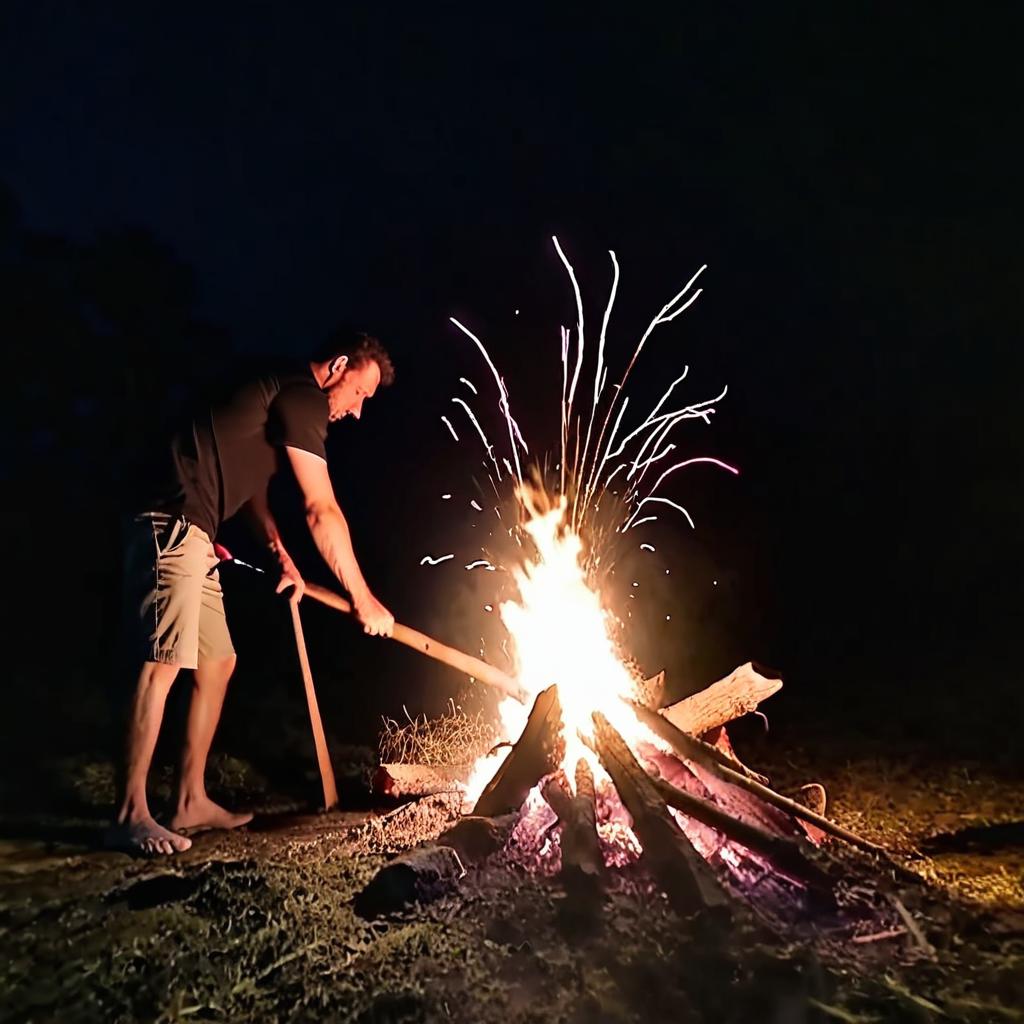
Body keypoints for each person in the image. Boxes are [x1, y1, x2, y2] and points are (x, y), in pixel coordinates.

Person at [108, 330, 396, 855]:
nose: (357, 412)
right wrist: (363, 598)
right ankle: (130, 812)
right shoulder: (302, 395)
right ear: (337, 366)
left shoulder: (275, 397)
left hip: (200, 532)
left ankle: (189, 800)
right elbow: (320, 509)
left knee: (216, 663)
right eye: (359, 393)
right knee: (162, 662)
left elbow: (252, 490)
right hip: (171, 520)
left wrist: (281, 556)